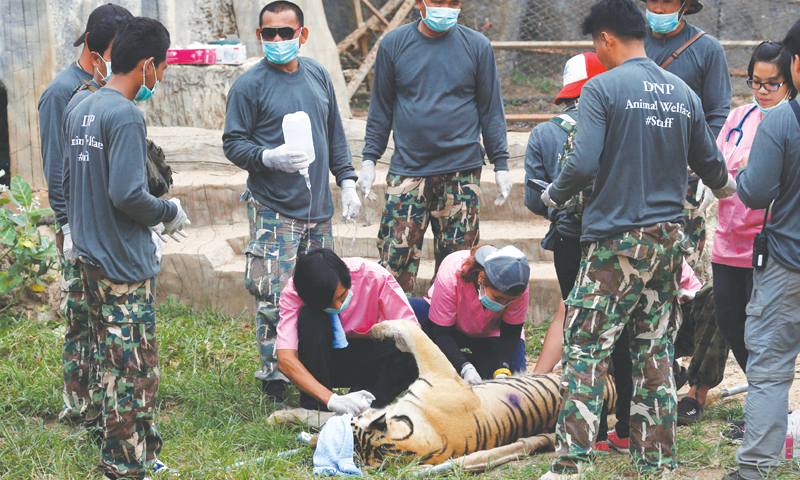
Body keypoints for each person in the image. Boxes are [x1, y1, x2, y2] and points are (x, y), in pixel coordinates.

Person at [537, 1, 733, 477]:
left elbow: (582, 164)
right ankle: (658, 464)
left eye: (593, 44)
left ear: (605, 38)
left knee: (586, 351)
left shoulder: (603, 88)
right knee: (655, 353)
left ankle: (568, 466)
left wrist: (554, 195)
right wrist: (730, 191)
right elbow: (712, 167)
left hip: (615, 243)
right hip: (667, 242)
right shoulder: (681, 92)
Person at [63, 17, 188, 480]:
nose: (161, 75)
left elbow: (74, 181)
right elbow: (127, 194)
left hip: (91, 258)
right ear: (148, 65)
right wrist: (167, 212)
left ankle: (141, 450)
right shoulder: (126, 114)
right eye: (163, 66)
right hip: (122, 265)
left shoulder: (82, 107)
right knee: (135, 370)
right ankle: (123, 464)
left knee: (111, 362)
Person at [222, 1, 360, 404]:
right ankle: (274, 377)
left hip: (318, 211)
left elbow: (333, 131)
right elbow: (233, 142)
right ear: (260, 35)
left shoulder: (317, 74)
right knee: (273, 294)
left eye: (286, 32)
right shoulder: (249, 85)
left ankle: (317, 366)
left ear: (302, 33)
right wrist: (268, 157)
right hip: (274, 210)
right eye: (269, 33)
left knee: (321, 291)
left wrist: (347, 180)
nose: (278, 40)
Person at [359, 0, 510, 293]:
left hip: (461, 172)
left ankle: (447, 333)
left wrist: (501, 163)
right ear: (419, 2)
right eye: (439, 1)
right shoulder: (394, 43)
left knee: (458, 265)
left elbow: (491, 110)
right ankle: (392, 330)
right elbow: (381, 107)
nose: (447, 8)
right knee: (394, 258)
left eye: (453, 2)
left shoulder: (477, 46)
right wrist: (369, 158)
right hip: (409, 170)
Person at [36, 2, 132, 425]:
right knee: (81, 318)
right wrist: (67, 225)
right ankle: (78, 405)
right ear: (96, 52)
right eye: (118, 52)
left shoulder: (108, 88)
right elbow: (58, 169)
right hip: (78, 226)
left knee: (105, 318)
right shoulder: (63, 92)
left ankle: (103, 400)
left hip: (108, 226)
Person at [723, 20, 800, 480]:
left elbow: (753, 192)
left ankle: (755, 469)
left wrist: (750, 171)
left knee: (770, 367)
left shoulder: (784, 121)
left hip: (788, 263)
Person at [712, 41, 798, 375]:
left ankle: (766, 411)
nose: (762, 91)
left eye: (772, 83)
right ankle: (761, 400)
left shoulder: (790, 124)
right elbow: (717, 164)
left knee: (761, 332)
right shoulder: (738, 117)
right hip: (728, 240)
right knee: (729, 321)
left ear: (790, 79)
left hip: (769, 245)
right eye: (755, 82)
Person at [642, 0, 733, 269]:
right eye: (652, 0)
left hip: (687, 167)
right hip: (638, 162)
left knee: (685, 258)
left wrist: (708, 165)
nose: (657, 9)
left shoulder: (707, 48)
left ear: (684, 5)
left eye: (667, 1)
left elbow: (717, 112)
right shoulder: (630, 41)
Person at [274, 249, 419, 414]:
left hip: (370, 357)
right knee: (310, 318)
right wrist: (332, 399)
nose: (337, 307)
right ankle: (316, 409)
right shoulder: (295, 291)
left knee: (410, 348)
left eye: (341, 296)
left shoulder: (375, 277)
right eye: (327, 304)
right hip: (323, 361)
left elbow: (413, 333)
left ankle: (363, 406)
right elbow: (285, 360)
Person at [408, 245, 533, 383]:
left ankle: (477, 361)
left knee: (514, 383)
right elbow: (442, 333)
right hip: (451, 327)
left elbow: (511, 332)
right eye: (498, 298)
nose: (502, 304)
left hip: (492, 331)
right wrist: (464, 366)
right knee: (408, 315)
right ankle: (466, 360)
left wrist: (503, 368)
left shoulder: (518, 286)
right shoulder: (451, 273)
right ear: (481, 278)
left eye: (508, 302)